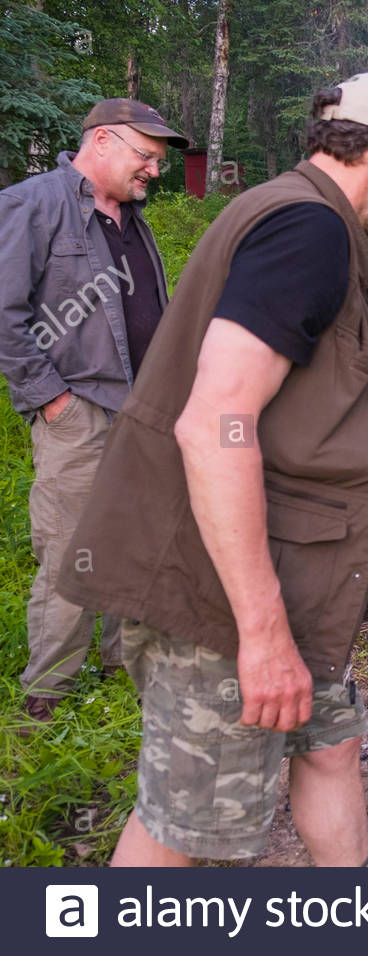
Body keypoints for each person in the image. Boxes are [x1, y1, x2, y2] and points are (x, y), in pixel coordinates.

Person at [57, 72, 368, 867]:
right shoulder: (309, 234)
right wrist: (261, 638)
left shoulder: (305, 222)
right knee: (187, 825)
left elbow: (343, 415)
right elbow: (214, 424)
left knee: (328, 747)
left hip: (294, 585)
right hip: (218, 593)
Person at [0, 99, 187, 723]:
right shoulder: (35, 203)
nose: (153, 172)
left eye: (158, 162)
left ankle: (121, 660)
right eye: (146, 157)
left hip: (143, 411)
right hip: (78, 409)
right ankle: (47, 690)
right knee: (71, 549)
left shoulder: (133, 217)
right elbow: (5, 314)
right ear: (102, 141)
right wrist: (49, 398)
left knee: (136, 540)